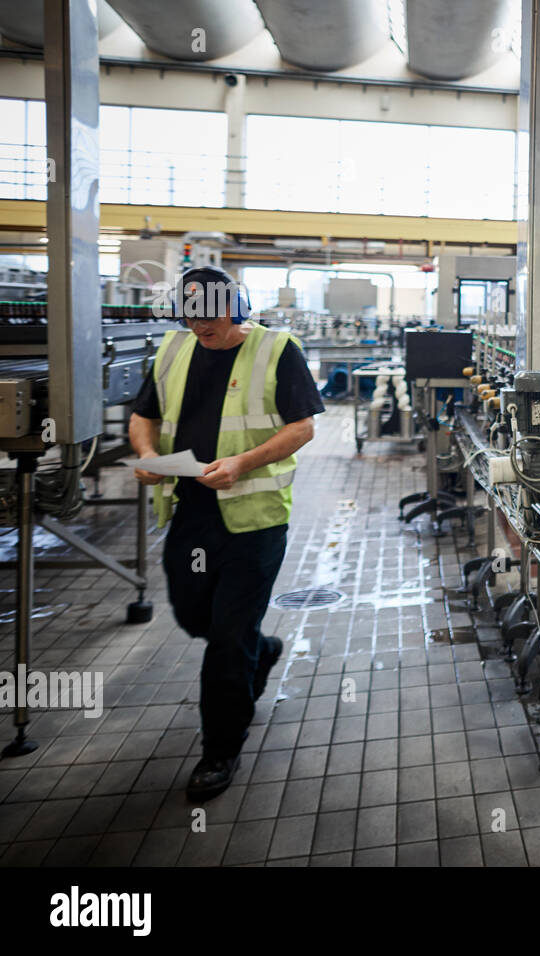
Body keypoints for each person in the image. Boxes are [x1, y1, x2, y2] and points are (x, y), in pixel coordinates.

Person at [129, 267, 324, 801]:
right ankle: (262, 652)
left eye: (209, 314)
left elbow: (302, 426)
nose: (199, 325)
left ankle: (220, 748)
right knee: (195, 615)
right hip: (190, 512)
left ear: (236, 307)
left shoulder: (276, 349)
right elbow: (143, 415)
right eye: (189, 314)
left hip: (254, 519)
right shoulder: (172, 351)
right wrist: (147, 455)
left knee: (228, 634)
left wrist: (241, 462)